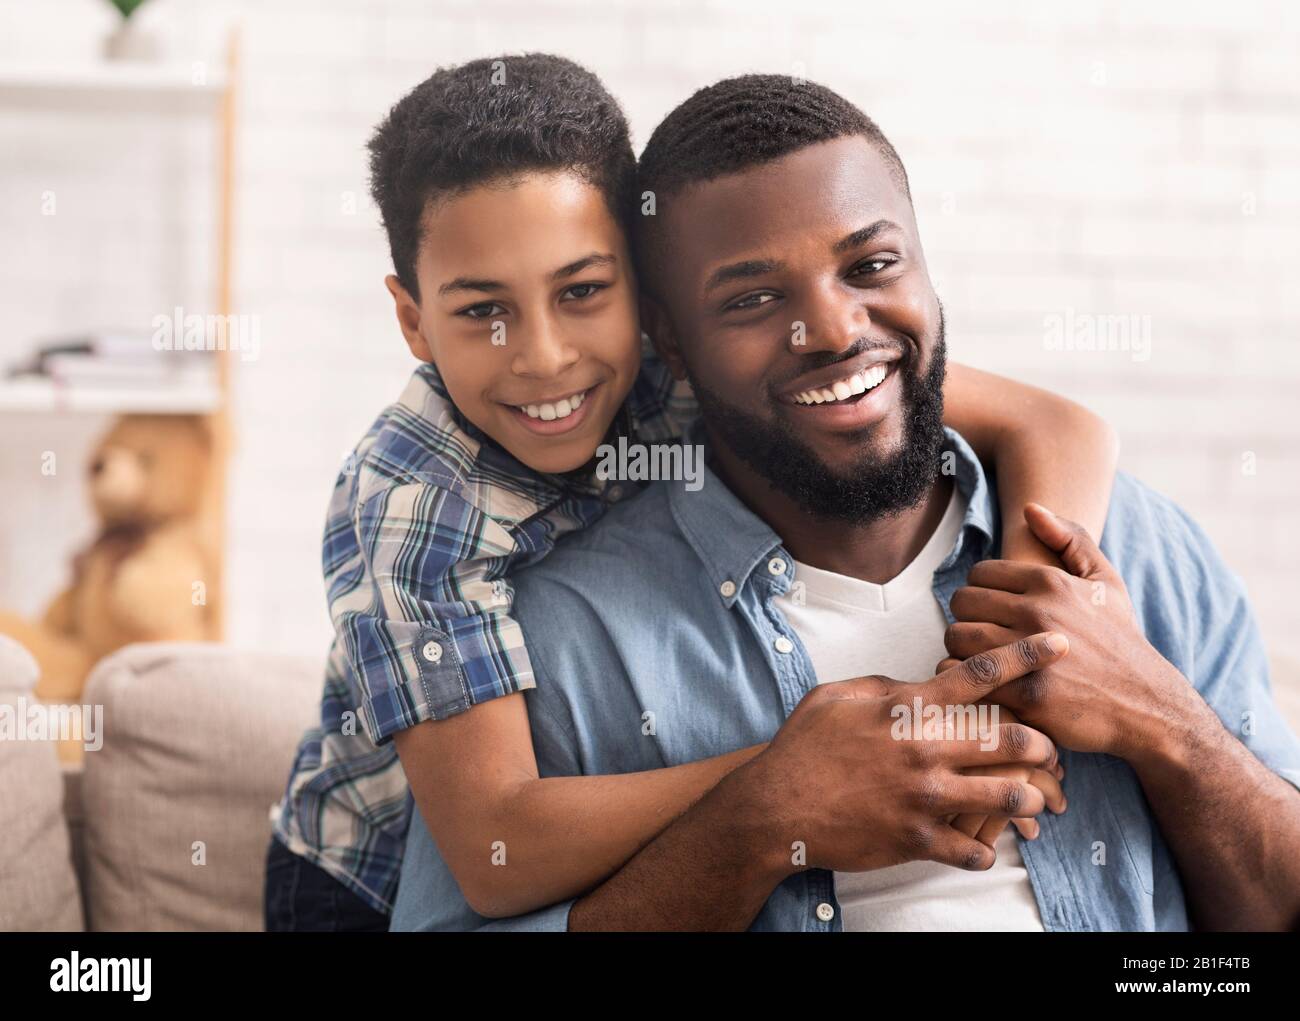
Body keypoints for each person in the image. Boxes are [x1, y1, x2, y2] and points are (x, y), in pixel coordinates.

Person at [389, 74, 1300, 932]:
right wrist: (756, 821)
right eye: (752, 297)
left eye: (871, 264)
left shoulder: (1133, 546)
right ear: (667, 339)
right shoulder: (563, 633)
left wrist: (1168, 725)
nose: (832, 329)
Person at [266, 56, 1118, 931]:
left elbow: (1059, 427)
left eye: (583, 290)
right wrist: (808, 772)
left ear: (644, 290)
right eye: (484, 309)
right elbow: (496, 850)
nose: (547, 355)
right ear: (412, 319)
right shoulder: (416, 503)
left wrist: (1020, 666)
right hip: (362, 882)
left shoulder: (690, 366)